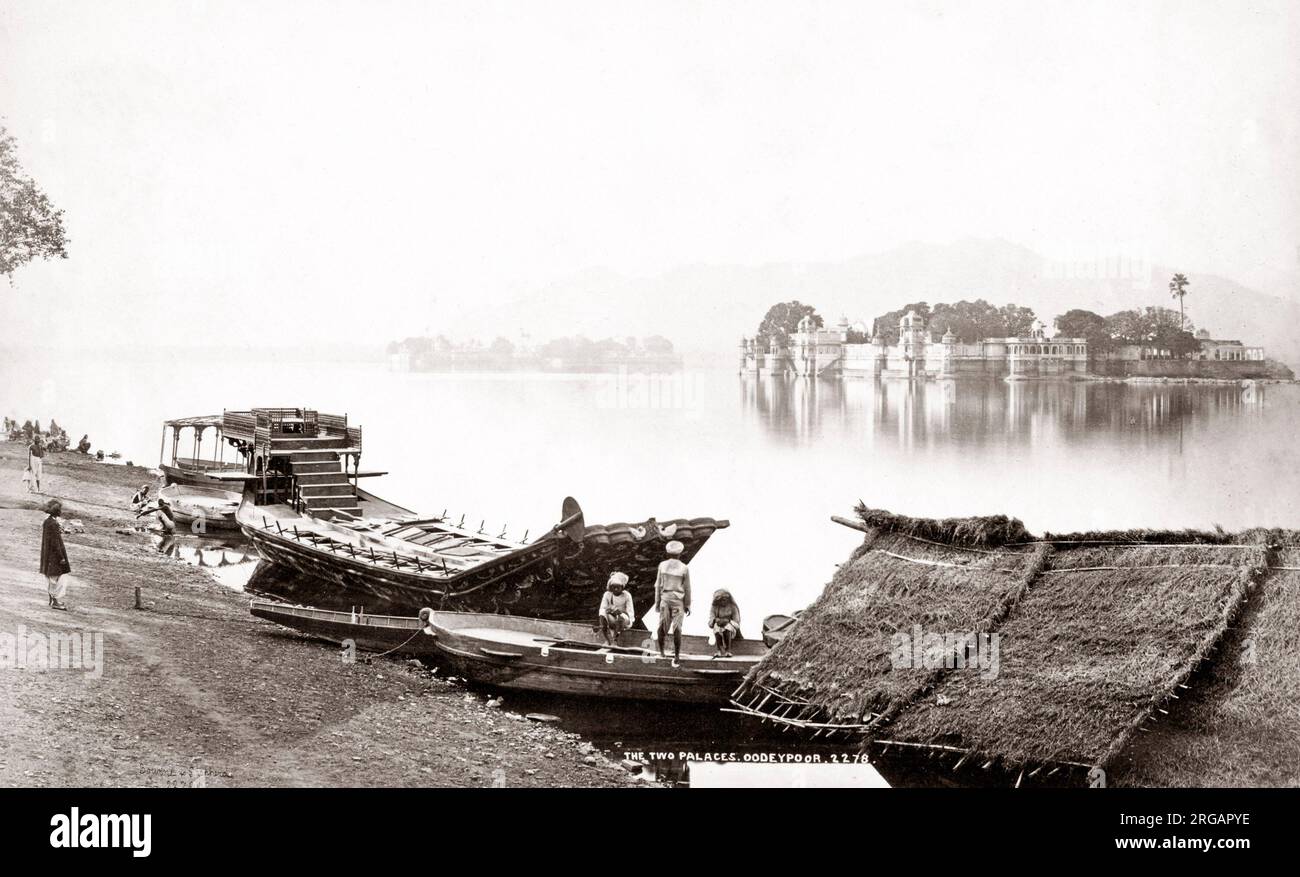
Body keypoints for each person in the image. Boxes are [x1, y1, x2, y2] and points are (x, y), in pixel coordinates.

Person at [654, 540, 691, 666]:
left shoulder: (662, 565)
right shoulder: (684, 568)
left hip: (665, 598)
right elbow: (687, 588)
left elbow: (658, 586)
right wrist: (687, 605)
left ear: (667, 552)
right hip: (678, 600)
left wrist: (657, 603)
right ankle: (676, 655)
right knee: (677, 628)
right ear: (680, 554)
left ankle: (662, 652)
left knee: (662, 626)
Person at [41, 499, 72, 610]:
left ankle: (52, 600)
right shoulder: (53, 523)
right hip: (54, 556)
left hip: (47, 555)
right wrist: (61, 557)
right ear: (57, 511)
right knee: (60, 578)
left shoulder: (47, 522)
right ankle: (55, 601)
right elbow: (55, 543)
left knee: (51, 578)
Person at [597, 571, 634, 646]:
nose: (616, 589)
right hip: (611, 617)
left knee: (620, 619)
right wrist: (609, 611)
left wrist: (620, 613)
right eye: (614, 587)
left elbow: (630, 612)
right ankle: (607, 639)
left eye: (618, 587)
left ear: (622, 587)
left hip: (623, 619)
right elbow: (602, 608)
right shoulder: (607, 595)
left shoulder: (627, 595)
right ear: (611, 587)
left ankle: (615, 639)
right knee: (602, 614)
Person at [707, 589, 742, 657]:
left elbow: (737, 624)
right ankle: (719, 650)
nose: (723, 601)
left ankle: (728, 650)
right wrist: (715, 620)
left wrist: (728, 621)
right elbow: (710, 622)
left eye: (725, 599)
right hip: (719, 627)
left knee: (727, 627)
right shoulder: (714, 607)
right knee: (716, 627)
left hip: (731, 630)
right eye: (722, 600)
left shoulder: (733, 607)